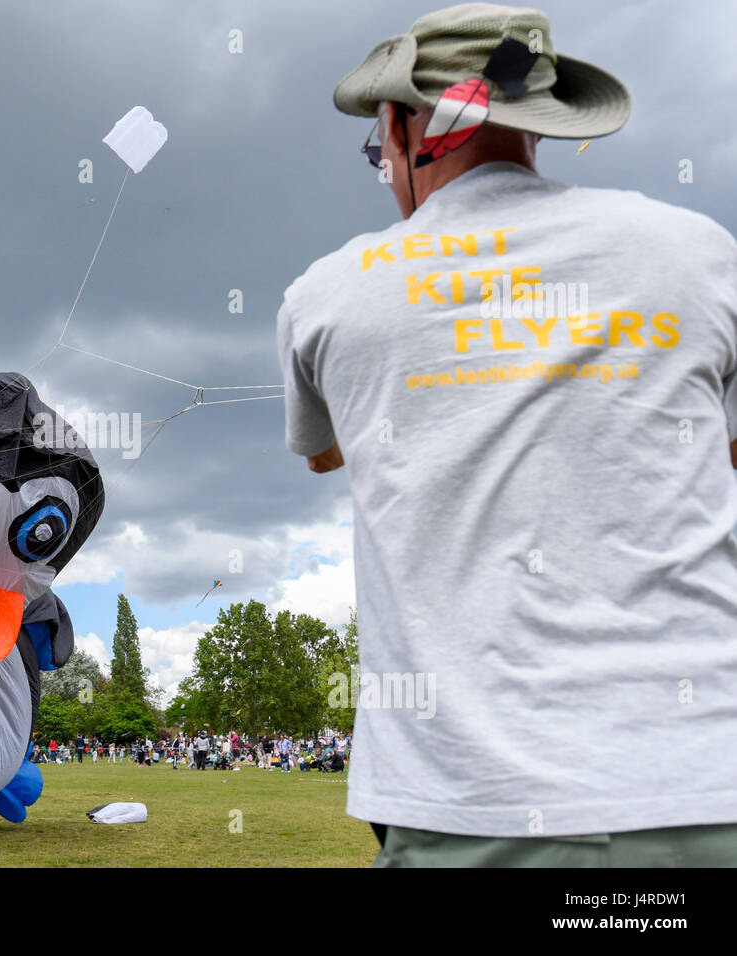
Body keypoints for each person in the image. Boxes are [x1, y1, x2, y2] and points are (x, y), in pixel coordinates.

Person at [278, 2, 737, 866]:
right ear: (539, 125)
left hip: (469, 807)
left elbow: (329, 450)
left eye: (380, 150)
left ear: (405, 126)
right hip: (708, 787)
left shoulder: (327, 294)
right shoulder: (698, 252)